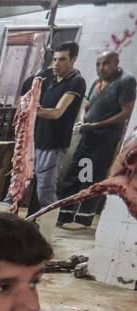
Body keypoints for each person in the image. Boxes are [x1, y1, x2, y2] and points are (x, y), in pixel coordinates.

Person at [59, 51, 136, 229]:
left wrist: (95, 125)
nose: (101, 68)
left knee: (92, 175)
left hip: (106, 137)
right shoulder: (97, 82)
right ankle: (65, 213)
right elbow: (87, 104)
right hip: (88, 135)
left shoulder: (126, 81)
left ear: (117, 63)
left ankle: (83, 218)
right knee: (75, 172)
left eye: (106, 63)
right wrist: (83, 119)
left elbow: (126, 112)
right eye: (98, 64)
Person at [19, 41, 87, 215]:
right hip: (36, 140)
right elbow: (27, 86)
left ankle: (46, 231)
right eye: (55, 59)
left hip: (53, 144)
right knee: (23, 185)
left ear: (73, 59)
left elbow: (57, 112)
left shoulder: (76, 81)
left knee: (45, 192)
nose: (57, 64)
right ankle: (31, 223)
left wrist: (32, 109)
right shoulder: (50, 78)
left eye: (62, 59)